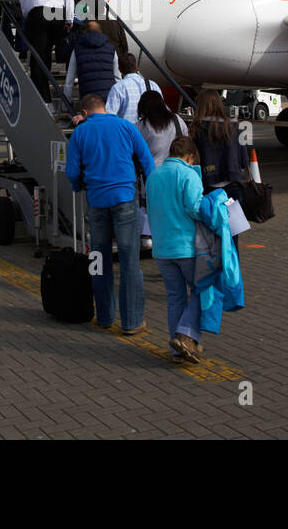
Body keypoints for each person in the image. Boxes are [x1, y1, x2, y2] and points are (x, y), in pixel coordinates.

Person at [65, 93, 156, 334]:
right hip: (125, 198)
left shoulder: (80, 133)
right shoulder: (126, 126)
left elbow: (73, 171)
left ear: (84, 113)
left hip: (96, 201)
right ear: (104, 108)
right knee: (130, 262)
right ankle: (132, 322)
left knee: (98, 260)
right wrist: (152, 192)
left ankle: (104, 316)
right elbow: (147, 160)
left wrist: (78, 187)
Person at [145, 136, 205, 362]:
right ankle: (186, 335)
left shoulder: (154, 176)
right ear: (190, 157)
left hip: (162, 248)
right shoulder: (189, 174)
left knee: (175, 297)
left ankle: (177, 349)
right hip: (186, 247)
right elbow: (194, 208)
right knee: (201, 291)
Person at [0, 0, 74, 102]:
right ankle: (54, 93)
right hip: (57, 14)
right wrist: (69, 19)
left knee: (37, 58)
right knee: (46, 55)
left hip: (38, 15)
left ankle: (45, 100)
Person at [189, 88, 247, 201]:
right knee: (235, 217)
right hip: (233, 180)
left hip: (209, 182)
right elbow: (244, 158)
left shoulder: (196, 128)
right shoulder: (234, 126)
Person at [63, 20, 119, 106]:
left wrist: (67, 103)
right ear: (100, 31)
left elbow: (69, 80)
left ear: (85, 32)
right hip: (109, 98)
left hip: (88, 100)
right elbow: (117, 77)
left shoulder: (77, 49)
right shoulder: (111, 48)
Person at [136, 90, 188, 167]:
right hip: (177, 169)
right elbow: (186, 139)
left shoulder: (142, 125)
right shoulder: (177, 119)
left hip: (153, 171)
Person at [106, 52, 161, 122]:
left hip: (127, 131)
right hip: (150, 131)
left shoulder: (117, 88)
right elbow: (161, 112)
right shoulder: (153, 85)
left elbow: (110, 117)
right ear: (136, 66)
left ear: (119, 69)